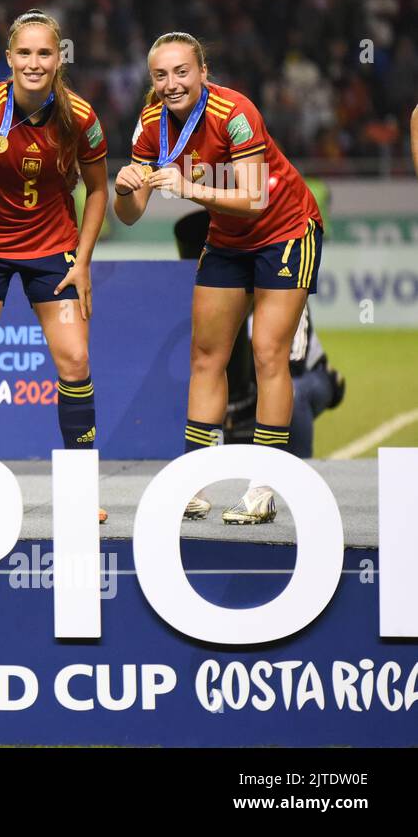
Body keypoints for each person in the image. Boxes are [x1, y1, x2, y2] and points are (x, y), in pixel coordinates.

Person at [113, 32, 324, 524]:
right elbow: (130, 214)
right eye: (161, 75)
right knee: (208, 356)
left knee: (269, 353)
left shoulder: (235, 113)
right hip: (228, 240)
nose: (171, 83)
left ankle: (264, 487)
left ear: (203, 72)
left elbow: (254, 200)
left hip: (285, 230)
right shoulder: (151, 124)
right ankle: (195, 479)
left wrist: (188, 186)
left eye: (181, 72)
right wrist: (125, 189)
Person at [0, 9, 110, 524]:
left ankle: (79, 490)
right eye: (25, 53)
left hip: (53, 249)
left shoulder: (80, 116)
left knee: (75, 361)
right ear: (9, 58)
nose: (34, 62)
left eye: (45, 53)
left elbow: (98, 189)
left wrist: (82, 261)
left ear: (59, 58)